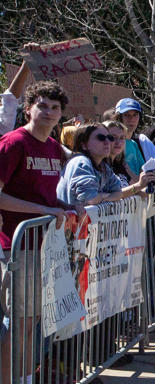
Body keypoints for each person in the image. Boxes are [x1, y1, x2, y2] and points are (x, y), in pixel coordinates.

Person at [0, 81, 81, 384]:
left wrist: (67, 206)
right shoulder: (12, 143)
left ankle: (23, 378)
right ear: (28, 108)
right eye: (42, 105)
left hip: (46, 245)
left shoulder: (53, 149)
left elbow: (44, 197)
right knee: (18, 323)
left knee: (32, 322)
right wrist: (47, 212)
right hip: (17, 247)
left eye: (55, 107)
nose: (48, 112)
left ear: (62, 114)